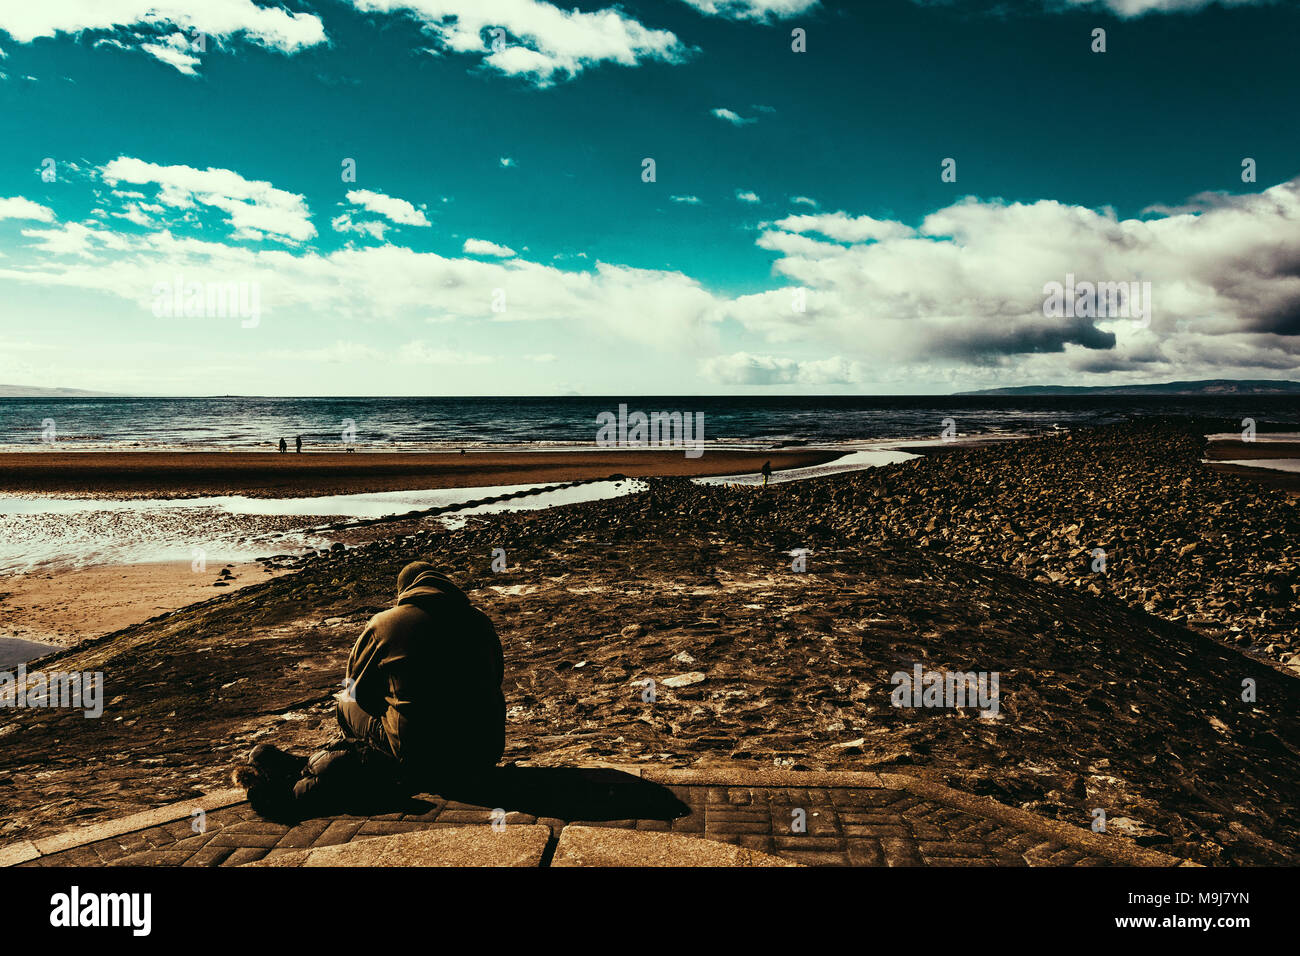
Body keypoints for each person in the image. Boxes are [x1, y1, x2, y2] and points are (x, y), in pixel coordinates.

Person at [233, 562, 506, 819]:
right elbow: (496, 680)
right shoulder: (481, 621)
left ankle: (370, 764)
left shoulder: (385, 623)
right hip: (483, 754)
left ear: (404, 590)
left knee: (344, 702)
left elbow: (356, 690)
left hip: (423, 760)